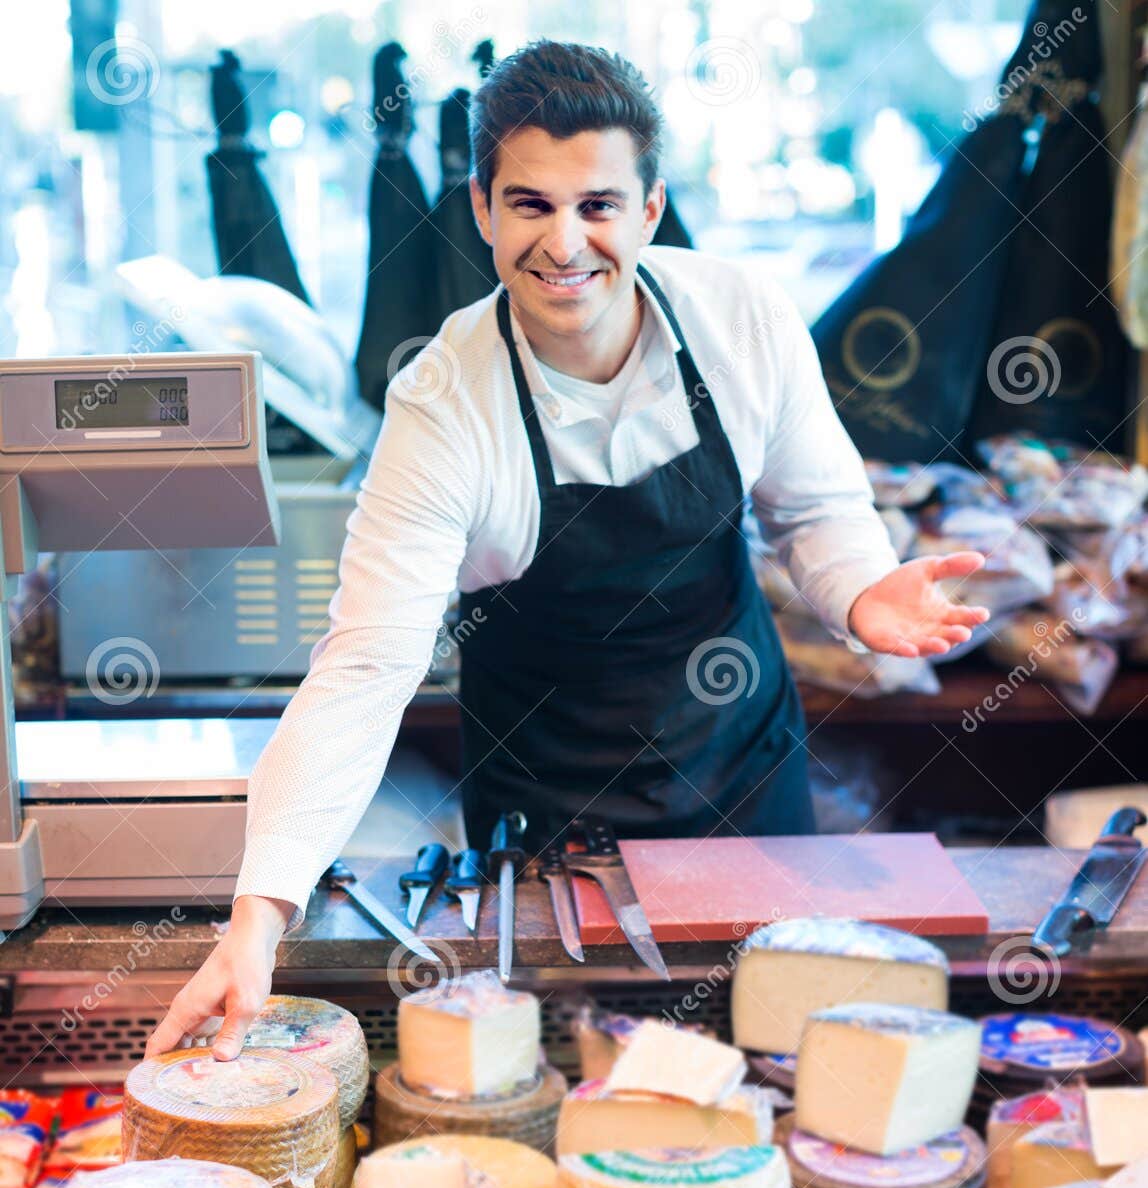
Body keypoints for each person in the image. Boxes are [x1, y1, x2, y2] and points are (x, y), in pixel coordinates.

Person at [146, 40, 986, 1061]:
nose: (564, 242)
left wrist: (858, 593)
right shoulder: (442, 404)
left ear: (648, 208)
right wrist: (259, 913)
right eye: (530, 204)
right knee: (572, 1078)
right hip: (550, 820)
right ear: (482, 210)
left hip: (742, 773)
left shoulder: (742, 319)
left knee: (776, 1062)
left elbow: (814, 514)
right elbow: (366, 666)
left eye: (596, 204)